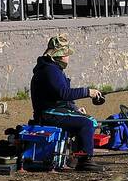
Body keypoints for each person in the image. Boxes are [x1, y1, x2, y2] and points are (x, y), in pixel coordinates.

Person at [30, 35, 105, 173]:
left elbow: (63, 98)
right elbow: (63, 93)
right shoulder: (50, 70)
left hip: (55, 110)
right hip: (48, 113)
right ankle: (85, 160)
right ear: (59, 55)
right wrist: (87, 92)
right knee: (87, 123)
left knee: (89, 120)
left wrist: (75, 109)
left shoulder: (52, 69)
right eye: (66, 54)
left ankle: (75, 157)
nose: (68, 57)